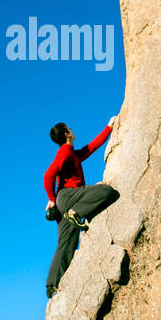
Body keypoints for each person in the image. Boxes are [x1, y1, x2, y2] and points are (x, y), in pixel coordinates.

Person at [43, 116, 121, 298]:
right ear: (67, 134)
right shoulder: (65, 152)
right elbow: (48, 175)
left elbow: (91, 148)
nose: (73, 130)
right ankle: (76, 212)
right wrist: (52, 199)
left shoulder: (72, 154)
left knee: (66, 244)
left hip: (64, 202)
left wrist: (109, 128)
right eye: (70, 128)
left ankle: (52, 285)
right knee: (106, 191)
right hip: (69, 197)